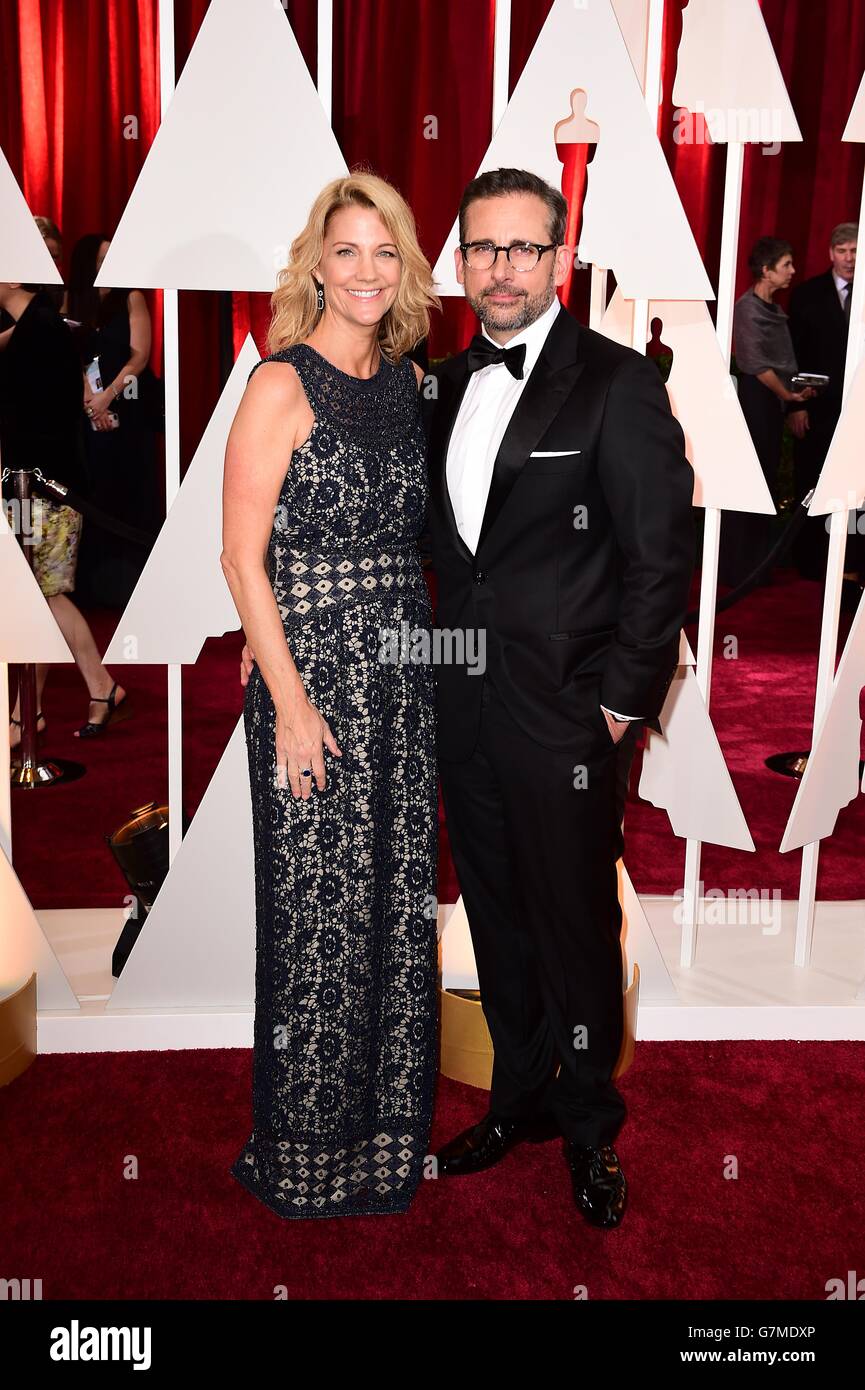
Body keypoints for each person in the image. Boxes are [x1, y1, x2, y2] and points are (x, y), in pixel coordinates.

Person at [422, 167, 695, 1229]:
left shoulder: (617, 383)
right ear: (458, 263)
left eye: (522, 249)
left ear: (558, 257)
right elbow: (444, 560)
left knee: (576, 922)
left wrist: (620, 707)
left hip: (570, 717)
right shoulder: (438, 384)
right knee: (492, 910)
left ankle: (590, 1125)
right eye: (481, 249)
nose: (500, 269)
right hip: (465, 709)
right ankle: (517, 1096)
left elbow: (657, 558)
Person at [224, 172, 441, 1218]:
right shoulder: (280, 384)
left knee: (394, 911)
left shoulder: (409, 381)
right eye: (346, 251)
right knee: (319, 918)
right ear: (315, 264)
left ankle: (383, 1143)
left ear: (404, 267)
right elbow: (239, 557)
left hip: (402, 679)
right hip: (309, 683)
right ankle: (306, 1149)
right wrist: (293, 701)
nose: (365, 271)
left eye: (384, 251)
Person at [0, 281, 130, 744]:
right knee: (42, 595)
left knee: (46, 595)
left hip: (44, 486)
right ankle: (87, 692)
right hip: (37, 483)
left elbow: (38, 412)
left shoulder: (42, 327)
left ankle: (35, 712)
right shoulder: (37, 324)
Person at [67, 233, 162, 609]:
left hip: (131, 414)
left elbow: (139, 357)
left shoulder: (131, 297)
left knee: (131, 493)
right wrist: (90, 403)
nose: (107, 263)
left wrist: (108, 397)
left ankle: (135, 591)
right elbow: (72, 356)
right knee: (94, 494)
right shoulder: (74, 301)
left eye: (113, 256)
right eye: (101, 257)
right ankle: (94, 590)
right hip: (87, 418)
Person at [719, 236, 814, 589]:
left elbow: (778, 362)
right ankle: (737, 567)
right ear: (766, 270)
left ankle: (755, 565)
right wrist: (788, 394)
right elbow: (755, 363)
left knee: (766, 479)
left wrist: (792, 393)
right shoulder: (747, 309)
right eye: (786, 265)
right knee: (750, 478)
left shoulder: (774, 308)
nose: (792, 271)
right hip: (755, 402)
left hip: (770, 402)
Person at [786, 221, 862, 591]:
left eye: (855, 251)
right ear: (831, 253)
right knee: (812, 480)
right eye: (843, 251)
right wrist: (794, 407)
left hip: (858, 410)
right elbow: (793, 355)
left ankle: (852, 560)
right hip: (816, 408)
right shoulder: (806, 295)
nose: (850, 258)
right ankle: (811, 561)